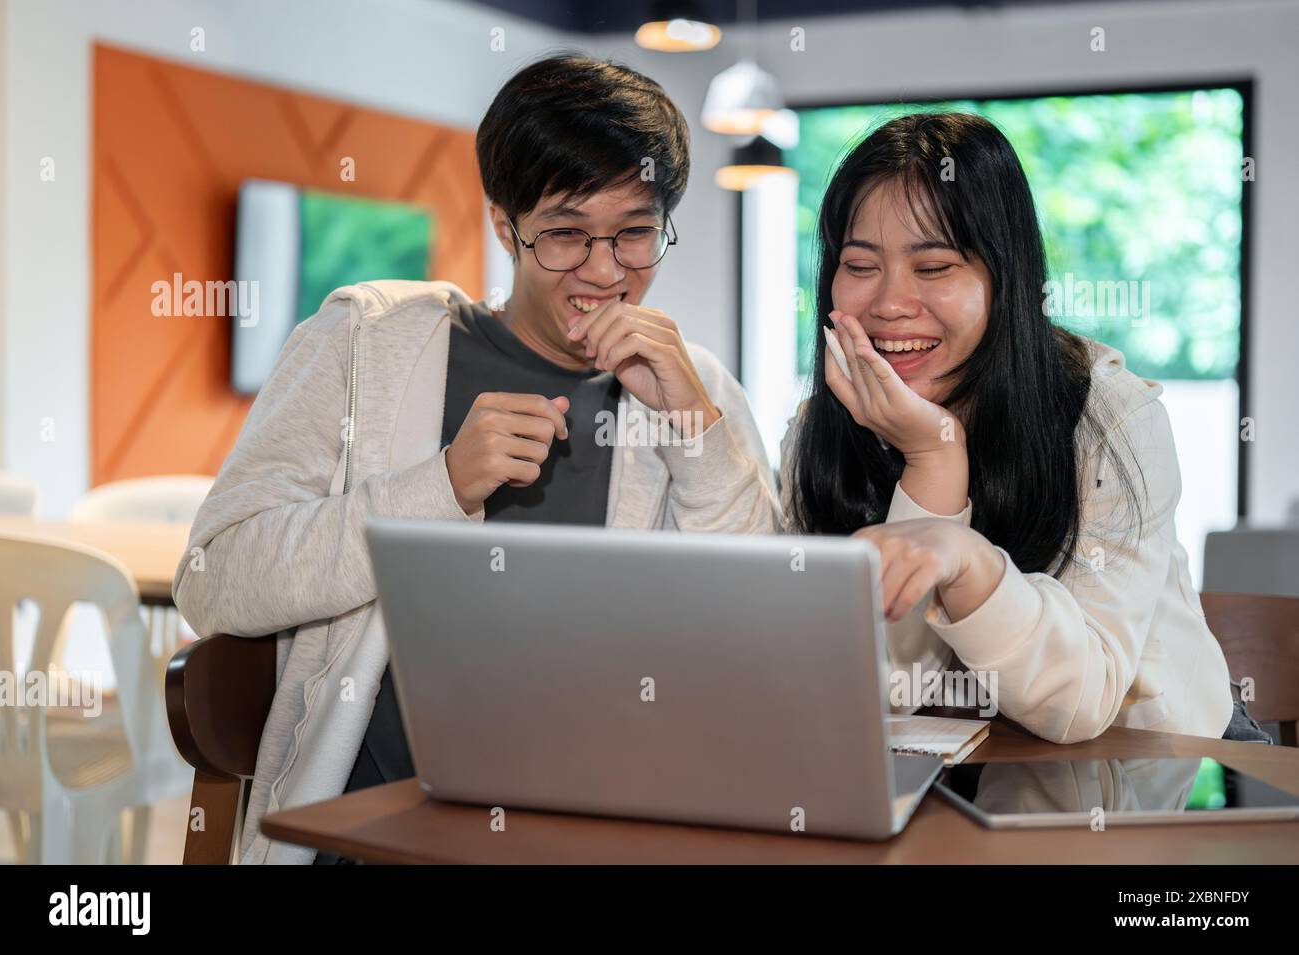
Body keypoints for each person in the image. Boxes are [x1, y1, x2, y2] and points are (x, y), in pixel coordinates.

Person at [173, 54, 779, 864]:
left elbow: (760, 646)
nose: (605, 272)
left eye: (635, 232)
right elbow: (213, 579)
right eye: (566, 232)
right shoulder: (365, 341)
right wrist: (441, 486)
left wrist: (697, 433)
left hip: (603, 833)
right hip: (371, 841)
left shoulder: (693, 386)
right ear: (505, 225)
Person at [781, 112, 1260, 745]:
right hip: (959, 774)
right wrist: (934, 461)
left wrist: (966, 560)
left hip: (1144, 770)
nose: (890, 303)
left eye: (933, 268)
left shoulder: (1109, 417)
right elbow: (878, 694)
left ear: (1006, 280)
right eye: (861, 266)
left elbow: (1081, 703)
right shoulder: (824, 426)